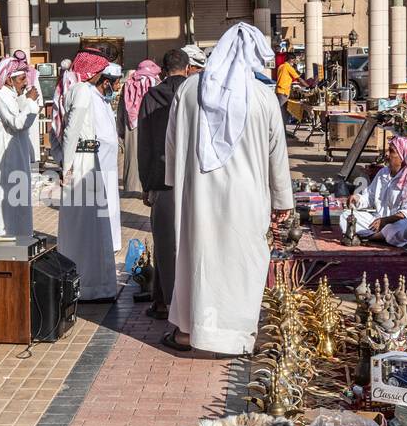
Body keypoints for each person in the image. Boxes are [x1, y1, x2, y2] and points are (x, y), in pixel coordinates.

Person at [163, 22, 294, 355]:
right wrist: (283, 201)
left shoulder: (189, 90)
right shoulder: (263, 96)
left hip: (198, 197)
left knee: (198, 259)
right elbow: (277, 154)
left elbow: (172, 146)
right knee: (240, 263)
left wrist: (175, 185)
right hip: (247, 200)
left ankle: (187, 333)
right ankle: (235, 338)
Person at [58, 45, 122, 302]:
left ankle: (91, 285)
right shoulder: (83, 91)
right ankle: (91, 287)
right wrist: (67, 166)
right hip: (83, 162)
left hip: (85, 159)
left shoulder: (76, 89)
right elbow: (72, 130)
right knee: (88, 227)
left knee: (88, 226)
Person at [137, 48, 190, 321]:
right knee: (184, 243)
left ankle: (167, 303)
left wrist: (146, 183)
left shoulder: (151, 96)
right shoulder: (194, 93)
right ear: (188, 67)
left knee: (163, 241)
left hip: (160, 177)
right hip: (190, 178)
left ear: (162, 69)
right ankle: (164, 302)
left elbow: (144, 143)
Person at [0, 52, 40, 237]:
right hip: (5, 159)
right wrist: (30, 101)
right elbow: (17, 123)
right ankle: (6, 249)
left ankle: (19, 247)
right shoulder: (1, 97)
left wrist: (27, 100)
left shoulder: (12, 96)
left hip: (15, 158)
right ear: (9, 80)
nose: (25, 83)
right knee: (5, 206)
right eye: (22, 79)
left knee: (17, 204)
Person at [339, 136, 407, 247]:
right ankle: (379, 236)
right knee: (345, 216)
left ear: (403, 157)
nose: (387, 154)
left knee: (400, 227)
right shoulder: (383, 173)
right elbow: (369, 197)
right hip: (379, 221)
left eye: (392, 151)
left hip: (404, 223)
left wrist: (386, 221)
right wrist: (357, 199)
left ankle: (371, 237)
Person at [118, 59, 160, 193]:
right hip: (151, 122)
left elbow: (120, 109)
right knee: (150, 155)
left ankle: (132, 187)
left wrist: (120, 129)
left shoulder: (128, 83)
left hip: (131, 125)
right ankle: (149, 187)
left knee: (133, 155)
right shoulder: (156, 82)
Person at [275, 54, 300, 127]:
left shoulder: (281, 66)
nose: (294, 62)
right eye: (294, 60)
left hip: (279, 91)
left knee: (282, 112)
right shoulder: (288, 67)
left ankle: (282, 130)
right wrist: (308, 85)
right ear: (291, 60)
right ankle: (281, 131)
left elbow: (284, 78)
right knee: (282, 113)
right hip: (283, 92)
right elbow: (298, 78)